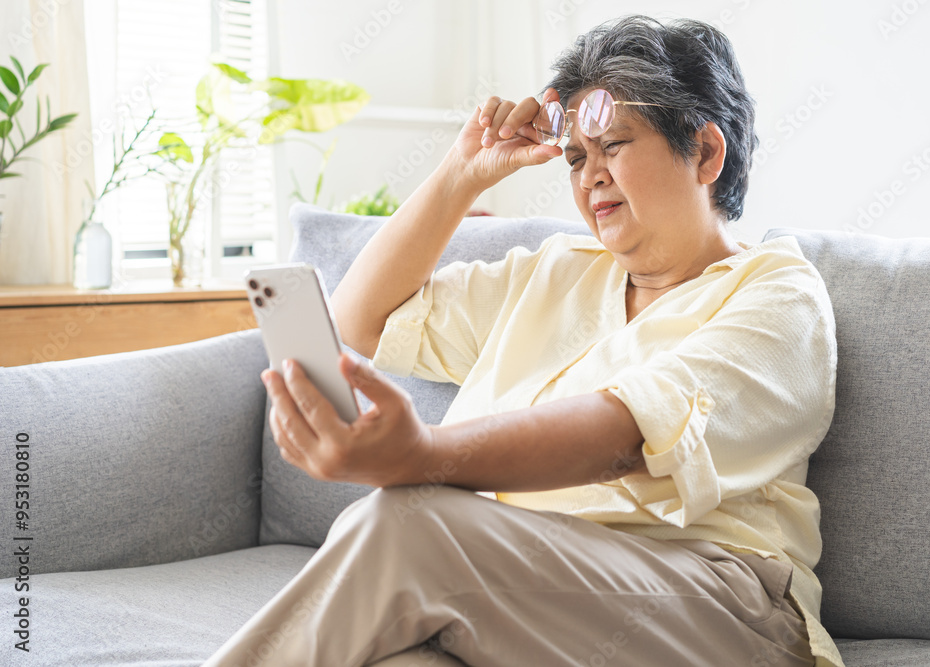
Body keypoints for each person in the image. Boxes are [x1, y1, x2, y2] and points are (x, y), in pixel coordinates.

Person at [204, 14, 844, 667]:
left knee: (406, 523)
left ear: (705, 152)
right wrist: (462, 172)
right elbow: (360, 320)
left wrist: (420, 454)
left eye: (614, 144)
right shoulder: (553, 271)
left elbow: (626, 433)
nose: (589, 174)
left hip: (722, 609)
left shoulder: (778, 293)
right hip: (520, 600)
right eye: (575, 157)